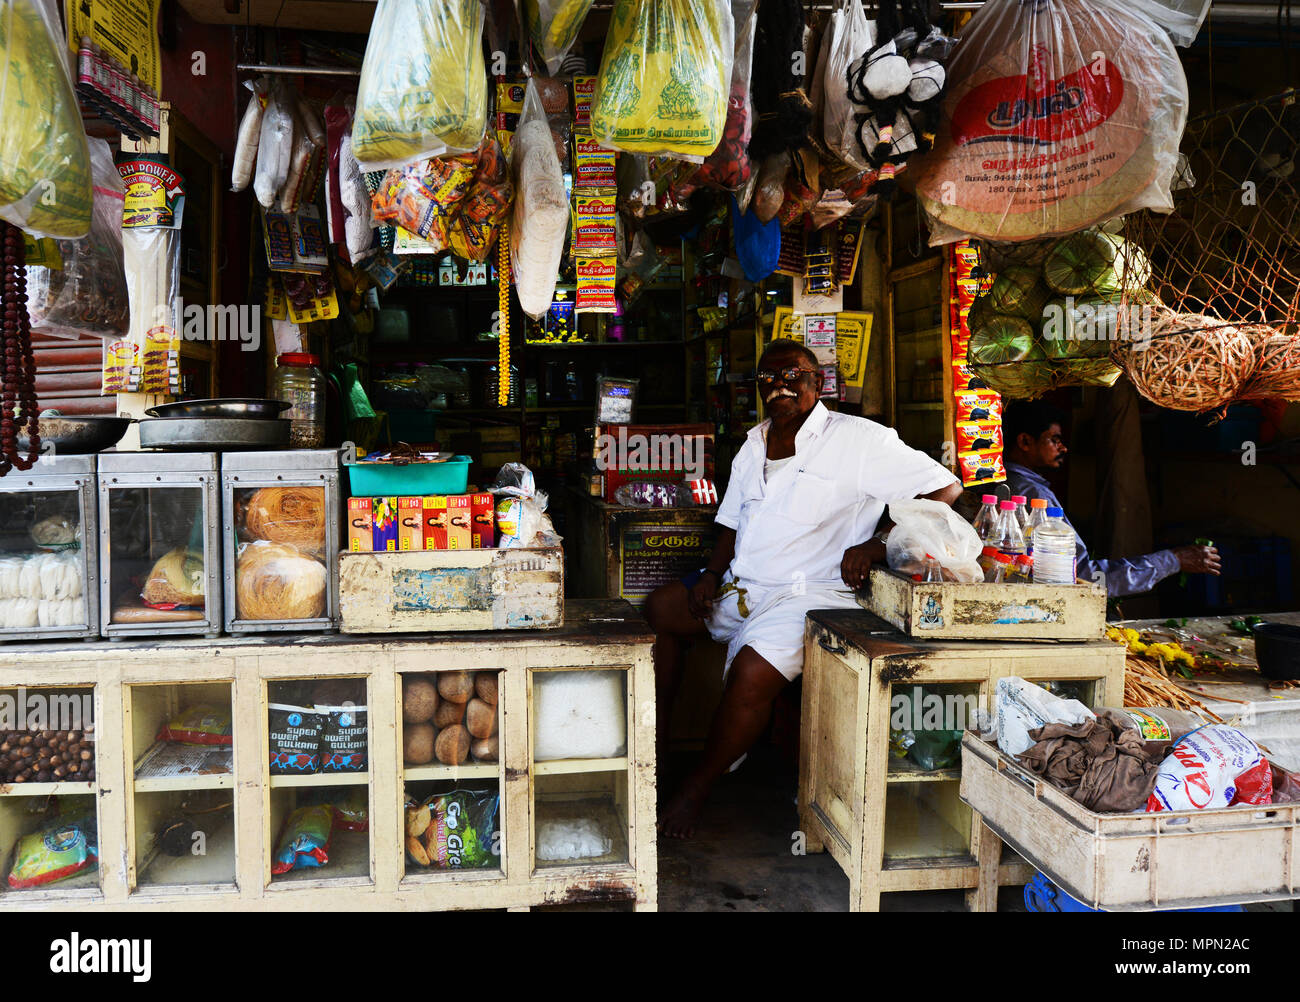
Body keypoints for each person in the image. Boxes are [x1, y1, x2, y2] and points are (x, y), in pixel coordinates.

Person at [646, 339, 962, 839]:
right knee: (659, 612)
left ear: (818, 383)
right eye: (768, 379)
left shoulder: (859, 439)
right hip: (745, 586)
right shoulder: (754, 443)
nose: (780, 387)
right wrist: (710, 575)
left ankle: (696, 789)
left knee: (752, 674)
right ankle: (656, 759)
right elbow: (731, 521)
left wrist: (878, 545)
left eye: (793, 375)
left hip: (811, 593)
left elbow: (944, 488)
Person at [1002, 399, 1220, 597]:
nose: (1063, 448)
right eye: (1054, 440)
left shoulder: (1004, 484)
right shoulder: (1034, 495)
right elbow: (1083, 576)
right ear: (1025, 442)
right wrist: (1172, 560)